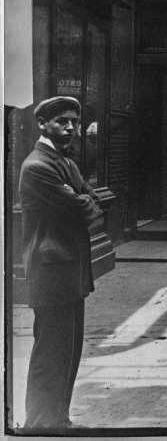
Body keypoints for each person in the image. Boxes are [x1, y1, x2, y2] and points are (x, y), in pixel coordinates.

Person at [19, 96, 104, 431]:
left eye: (73, 122)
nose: (70, 127)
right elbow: (83, 208)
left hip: (68, 270)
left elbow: (92, 200)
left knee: (68, 353)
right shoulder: (37, 166)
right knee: (51, 354)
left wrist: (83, 199)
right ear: (43, 124)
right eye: (62, 121)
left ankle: (58, 419)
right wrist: (83, 200)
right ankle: (40, 424)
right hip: (52, 272)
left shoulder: (64, 162)